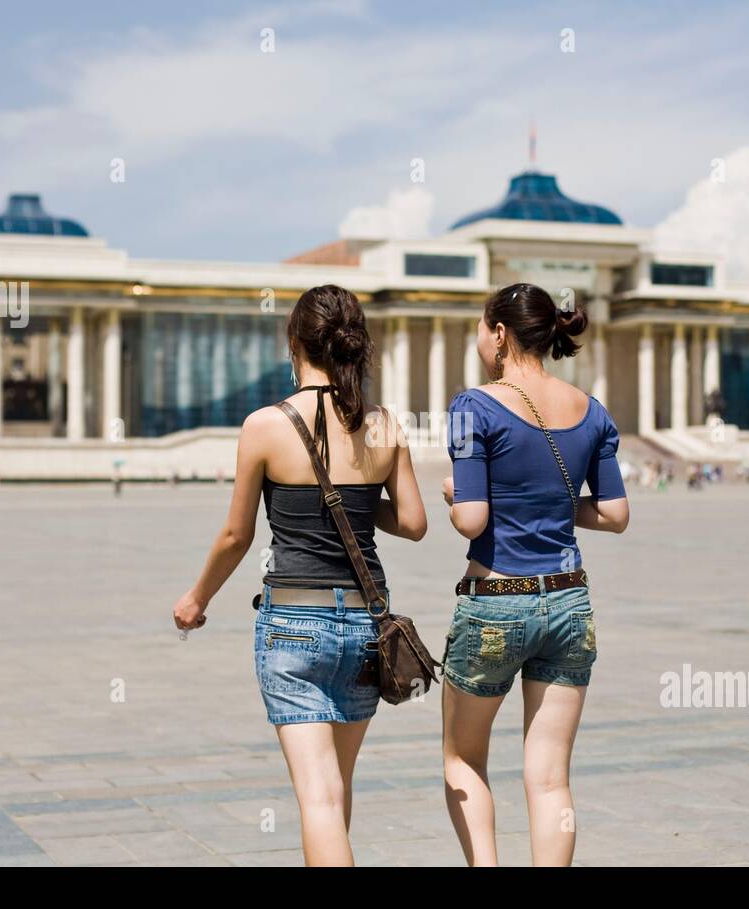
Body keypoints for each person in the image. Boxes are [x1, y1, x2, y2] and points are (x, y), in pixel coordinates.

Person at [171, 285, 426, 866]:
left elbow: (237, 536)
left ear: (296, 343)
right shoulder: (383, 424)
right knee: (336, 789)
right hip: (366, 624)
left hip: (293, 623)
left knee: (317, 798)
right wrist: (361, 504)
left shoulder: (264, 425)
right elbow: (412, 523)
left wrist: (196, 598)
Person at [438, 282, 630, 866]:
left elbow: (472, 519)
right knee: (550, 779)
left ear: (499, 333)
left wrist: (456, 495)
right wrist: (547, 503)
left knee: (463, 758)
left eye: (479, 325)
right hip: (570, 603)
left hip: (498, 597)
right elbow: (616, 514)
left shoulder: (475, 406)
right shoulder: (590, 409)